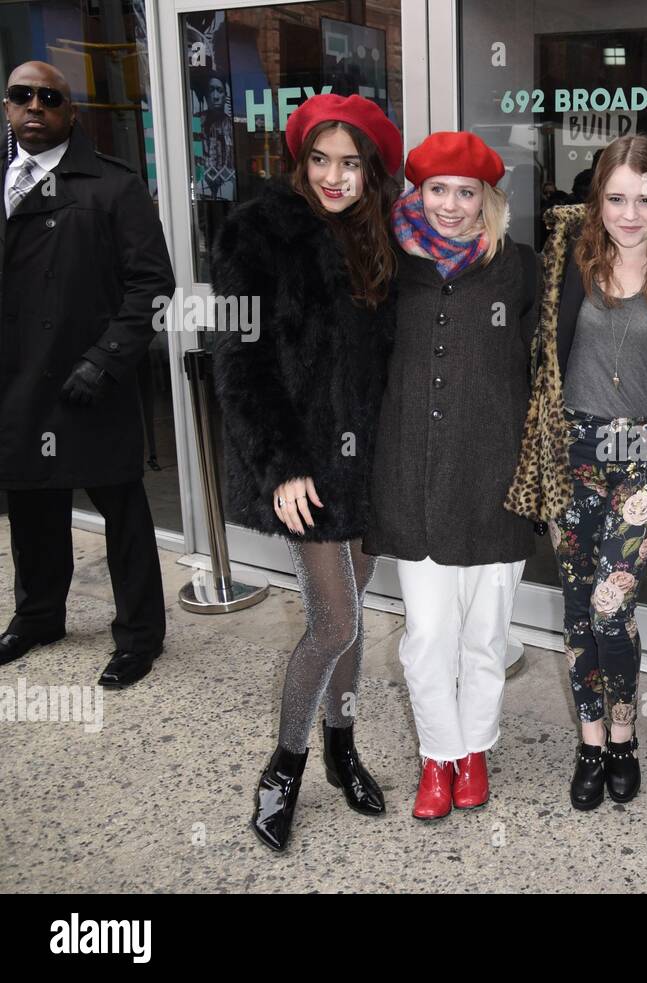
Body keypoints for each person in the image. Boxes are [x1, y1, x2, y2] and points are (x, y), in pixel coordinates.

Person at [210, 93, 402, 852]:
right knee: (335, 620)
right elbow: (238, 358)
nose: (333, 176)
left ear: (370, 169)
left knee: (349, 616)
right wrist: (280, 465)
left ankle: (342, 746)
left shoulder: (382, 234)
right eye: (319, 160)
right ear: (299, 160)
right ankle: (284, 767)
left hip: (368, 463)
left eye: (349, 163)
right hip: (303, 464)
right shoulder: (254, 232)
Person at [505, 134, 647, 810]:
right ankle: (592, 742)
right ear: (598, 201)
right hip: (573, 452)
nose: (630, 212)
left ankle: (626, 735)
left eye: (645, 198)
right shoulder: (566, 260)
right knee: (577, 609)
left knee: (611, 608)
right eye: (617, 197)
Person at [364, 131, 538, 821]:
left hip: (496, 479)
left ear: (487, 200)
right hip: (410, 474)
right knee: (429, 634)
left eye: (467, 192)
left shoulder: (519, 268)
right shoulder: (388, 268)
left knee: (486, 634)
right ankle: (439, 756)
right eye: (438, 189)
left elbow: (543, 368)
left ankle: (476, 749)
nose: (452, 205)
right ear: (418, 192)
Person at [0, 61, 174, 688]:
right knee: (32, 508)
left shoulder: (112, 185)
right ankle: (39, 616)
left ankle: (139, 637)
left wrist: (104, 360)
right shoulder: (5, 180)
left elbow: (153, 286)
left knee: (122, 513)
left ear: (71, 112)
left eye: (50, 97)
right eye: (22, 96)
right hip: (15, 382)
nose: (35, 106)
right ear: (7, 107)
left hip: (88, 379)